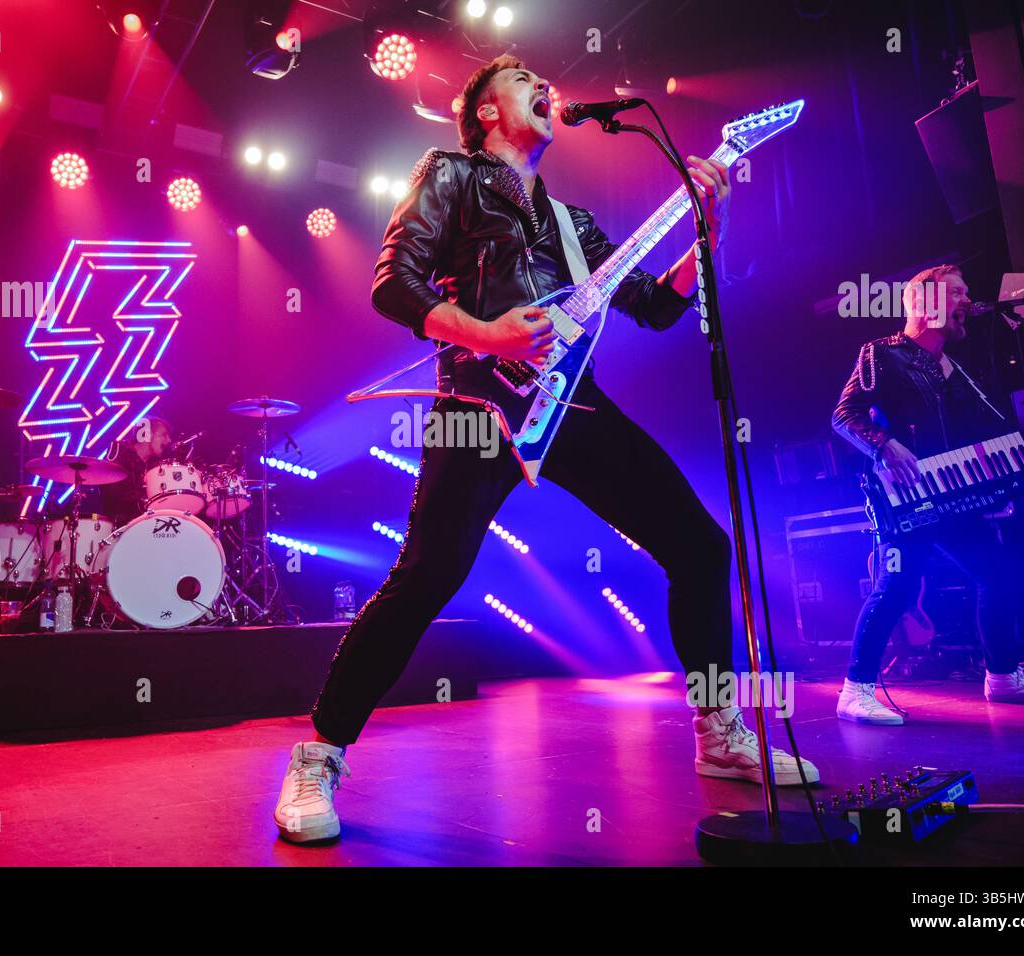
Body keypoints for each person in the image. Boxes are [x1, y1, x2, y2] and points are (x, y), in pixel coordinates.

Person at [274, 55, 818, 845]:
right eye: (521, 77)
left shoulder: (577, 223)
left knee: (700, 545)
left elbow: (656, 309)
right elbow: (394, 283)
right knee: (428, 575)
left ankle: (718, 730)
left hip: (573, 403)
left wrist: (708, 224)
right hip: (479, 404)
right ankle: (319, 753)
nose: (542, 84)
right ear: (487, 112)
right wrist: (487, 331)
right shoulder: (452, 174)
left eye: (542, 77)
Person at [831, 264, 1024, 725]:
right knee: (899, 583)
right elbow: (844, 415)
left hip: (950, 493)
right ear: (923, 304)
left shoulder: (956, 369)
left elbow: (988, 431)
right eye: (957, 293)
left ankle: (1001, 676)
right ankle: (854, 690)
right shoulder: (882, 354)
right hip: (903, 495)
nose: (967, 302)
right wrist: (883, 444)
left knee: (997, 573)